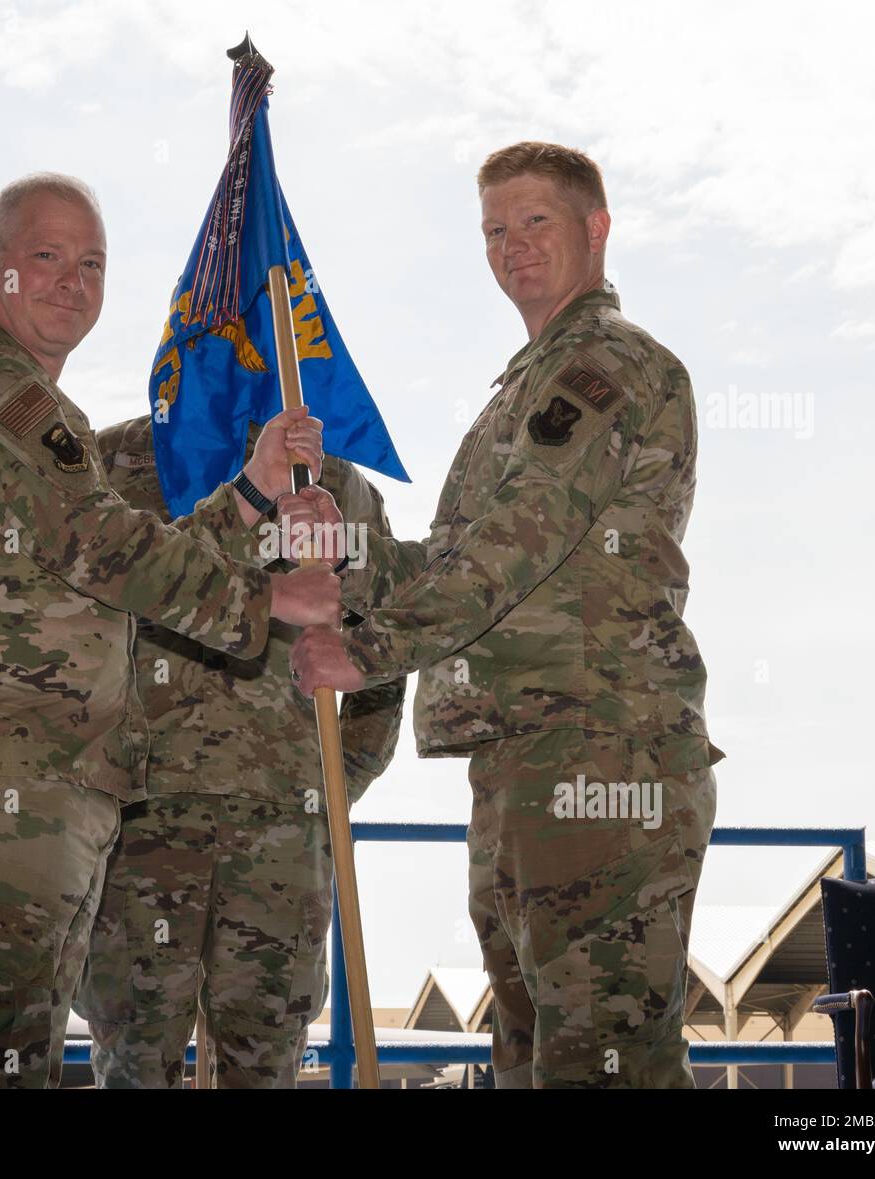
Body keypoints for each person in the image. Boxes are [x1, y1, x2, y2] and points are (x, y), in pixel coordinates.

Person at [0, 172, 339, 1088]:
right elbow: (105, 547)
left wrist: (247, 490)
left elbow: (112, 569)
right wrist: (267, 602)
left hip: (38, 786)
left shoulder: (26, 405)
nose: (71, 281)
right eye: (45, 257)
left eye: (91, 263)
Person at [288, 142, 722, 1088]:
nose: (513, 246)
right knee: (532, 1057)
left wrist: (362, 652)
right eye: (495, 229)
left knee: (605, 1066)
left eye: (537, 222)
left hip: (601, 756)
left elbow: (514, 549)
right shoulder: (522, 392)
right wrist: (345, 537)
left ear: (595, 229)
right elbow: (456, 559)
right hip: (527, 758)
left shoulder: (605, 366)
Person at [73, 414, 405, 1087]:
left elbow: (387, 643)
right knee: (134, 1055)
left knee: (265, 1053)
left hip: (282, 827)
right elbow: (79, 621)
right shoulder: (112, 460)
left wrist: (332, 782)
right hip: (141, 820)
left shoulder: (338, 482)